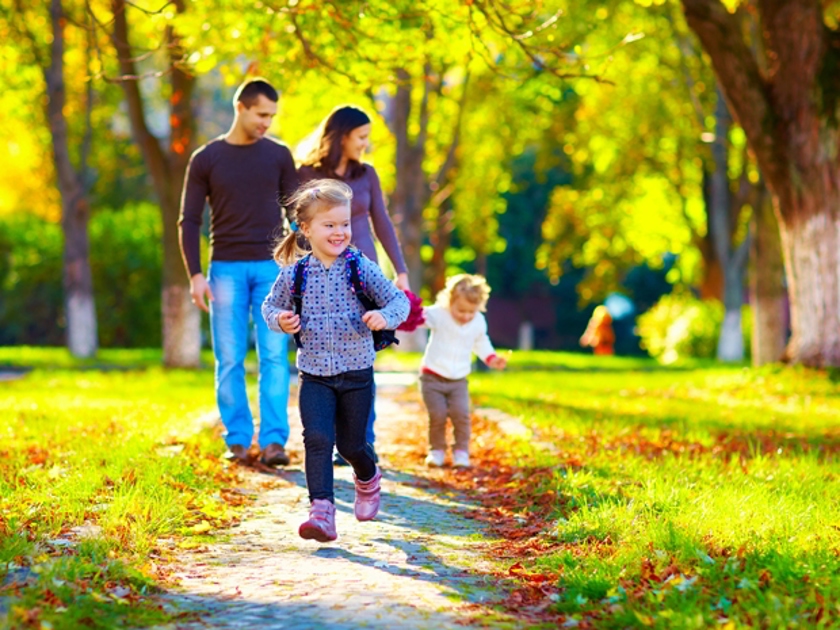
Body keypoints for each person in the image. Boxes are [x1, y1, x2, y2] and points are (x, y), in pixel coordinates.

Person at [262, 179, 410, 542]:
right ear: (306, 228)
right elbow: (269, 307)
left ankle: (368, 477)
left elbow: (399, 301)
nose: (340, 232)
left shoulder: (360, 267)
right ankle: (322, 512)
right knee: (316, 439)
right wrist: (281, 320)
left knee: (351, 445)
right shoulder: (294, 274)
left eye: (345, 223)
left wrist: (384, 317)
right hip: (314, 374)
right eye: (329, 224)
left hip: (357, 372)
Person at [178, 78, 298, 467]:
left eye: (271, 116)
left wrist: (300, 264)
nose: (267, 122)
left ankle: (274, 441)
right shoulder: (207, 158)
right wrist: (195, 275)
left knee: (274, 356)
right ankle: (238, 439)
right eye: (261, 114)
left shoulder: (278, 155)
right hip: (224, 270)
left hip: (272, 271)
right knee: (229, 358)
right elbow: (189, 220)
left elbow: (296, 214)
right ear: (241, 107)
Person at [297, 105, 410, 463]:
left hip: (363, 279)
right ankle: (332, 440)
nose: (365, 144)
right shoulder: (308, 174)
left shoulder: (367, 174)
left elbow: (382, 222)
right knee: (326, 358)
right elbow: (298, 225)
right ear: (341, 135)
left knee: (361, 359)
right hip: (322, 277)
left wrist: (400, 270)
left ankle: (362, 442)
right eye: (361, 137)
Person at [419, 274, 507, 469]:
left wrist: (492, 358)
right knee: (438, 415)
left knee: (461, 414)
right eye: (461, 310)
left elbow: (481, 342)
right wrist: (406, 308)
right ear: (450, 301)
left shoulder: (478, 321)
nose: (466, 316)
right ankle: (437, 450)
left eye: (471, 312)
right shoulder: (439, 314)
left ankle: (461, 451)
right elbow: (417, 317)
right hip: (432, 377)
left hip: (458, 380)